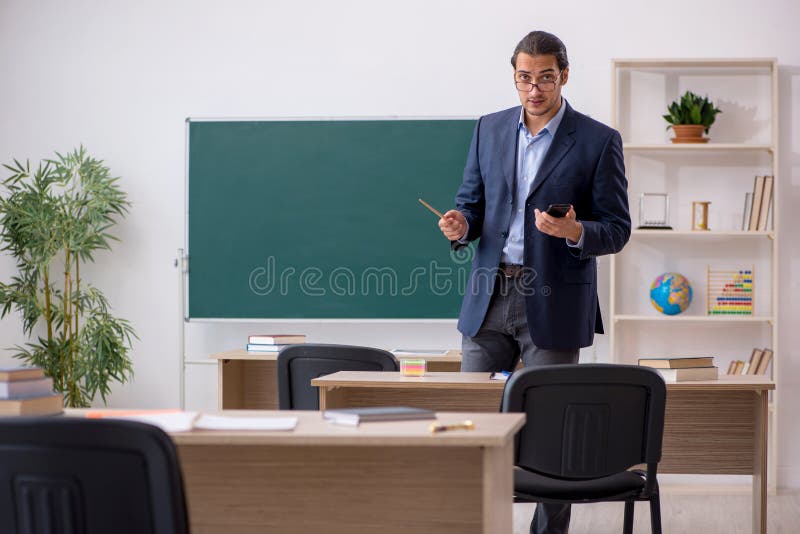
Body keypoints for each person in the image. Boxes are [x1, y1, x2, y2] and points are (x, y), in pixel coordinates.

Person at [438, 31, 631, 534]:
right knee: (469, 425)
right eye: (525, 77)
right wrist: (461, 223)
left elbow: (617, 228)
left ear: (563, 76)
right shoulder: (489, 129)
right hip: (490, 295)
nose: (534, 87)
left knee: (552, 434)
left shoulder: (597, 140)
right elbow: (472, 205)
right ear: (515, 77)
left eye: (545, 76)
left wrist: (574, 231)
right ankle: (471, 522)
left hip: (555, 301)